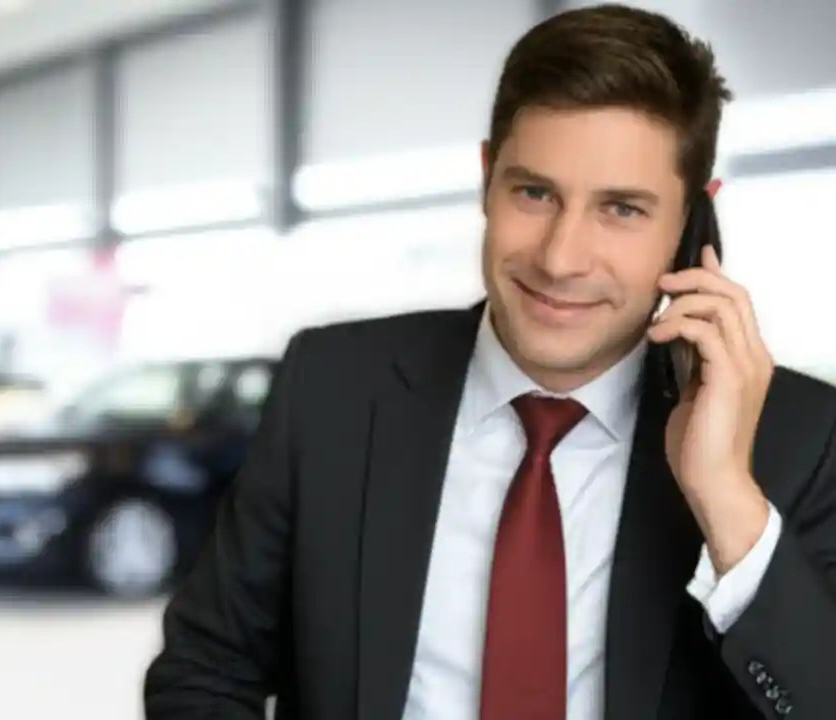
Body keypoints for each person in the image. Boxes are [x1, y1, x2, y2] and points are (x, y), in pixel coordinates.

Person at [144, 4, 836, 719]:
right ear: (486, 178)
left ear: (692, 221)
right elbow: (204, 672)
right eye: (535, 193)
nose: (561, 259)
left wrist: (726, 499)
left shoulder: (799, 439)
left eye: (621, 209)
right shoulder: (332, 387)